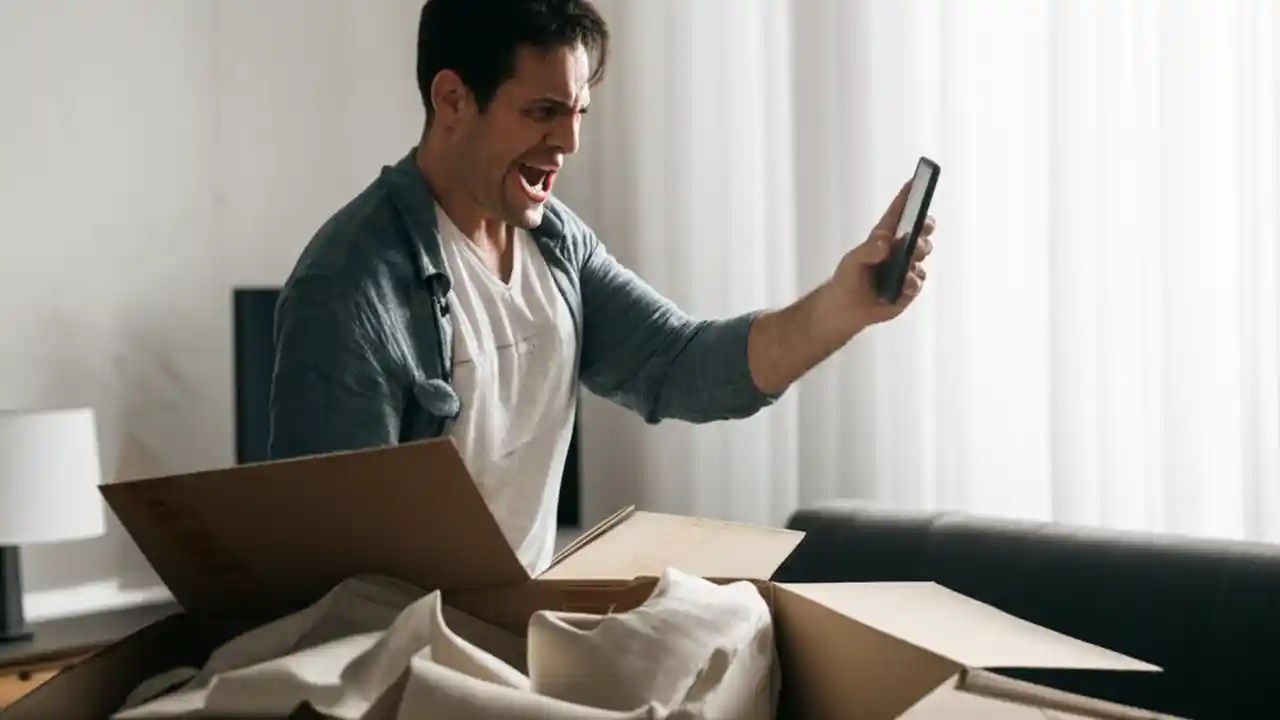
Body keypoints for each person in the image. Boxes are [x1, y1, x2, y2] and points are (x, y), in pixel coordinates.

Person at [268, 0, 936, 575]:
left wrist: (841, 306)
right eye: (543, 111)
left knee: (734, 620)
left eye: (579, 110)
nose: (569, 141)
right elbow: (338, 570)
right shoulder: (347, 292)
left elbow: (680, 367)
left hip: (520, 623)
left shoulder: (555, 242)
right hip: (419, 642)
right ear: (452, 100)